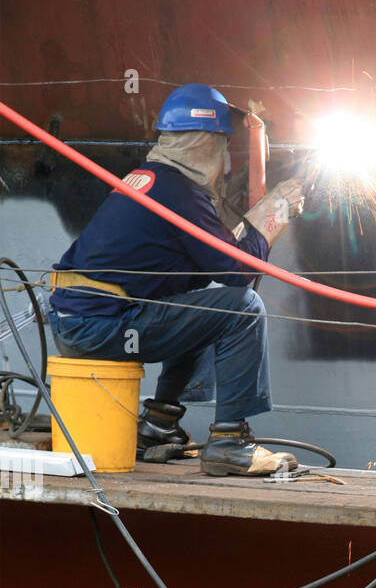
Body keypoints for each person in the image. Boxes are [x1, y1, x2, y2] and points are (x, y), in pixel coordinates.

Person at [48, 83, 303, 476]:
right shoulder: (179, 193)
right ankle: (230, 442)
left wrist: (250, 227)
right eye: (222, 146)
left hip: (83, 321)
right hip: (100, 326)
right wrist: (275, 215)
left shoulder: (153, 178)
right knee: (242, 309)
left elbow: (211, 263)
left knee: (200, 306)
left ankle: (157, 425)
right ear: (206, 143)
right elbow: (239, 272)